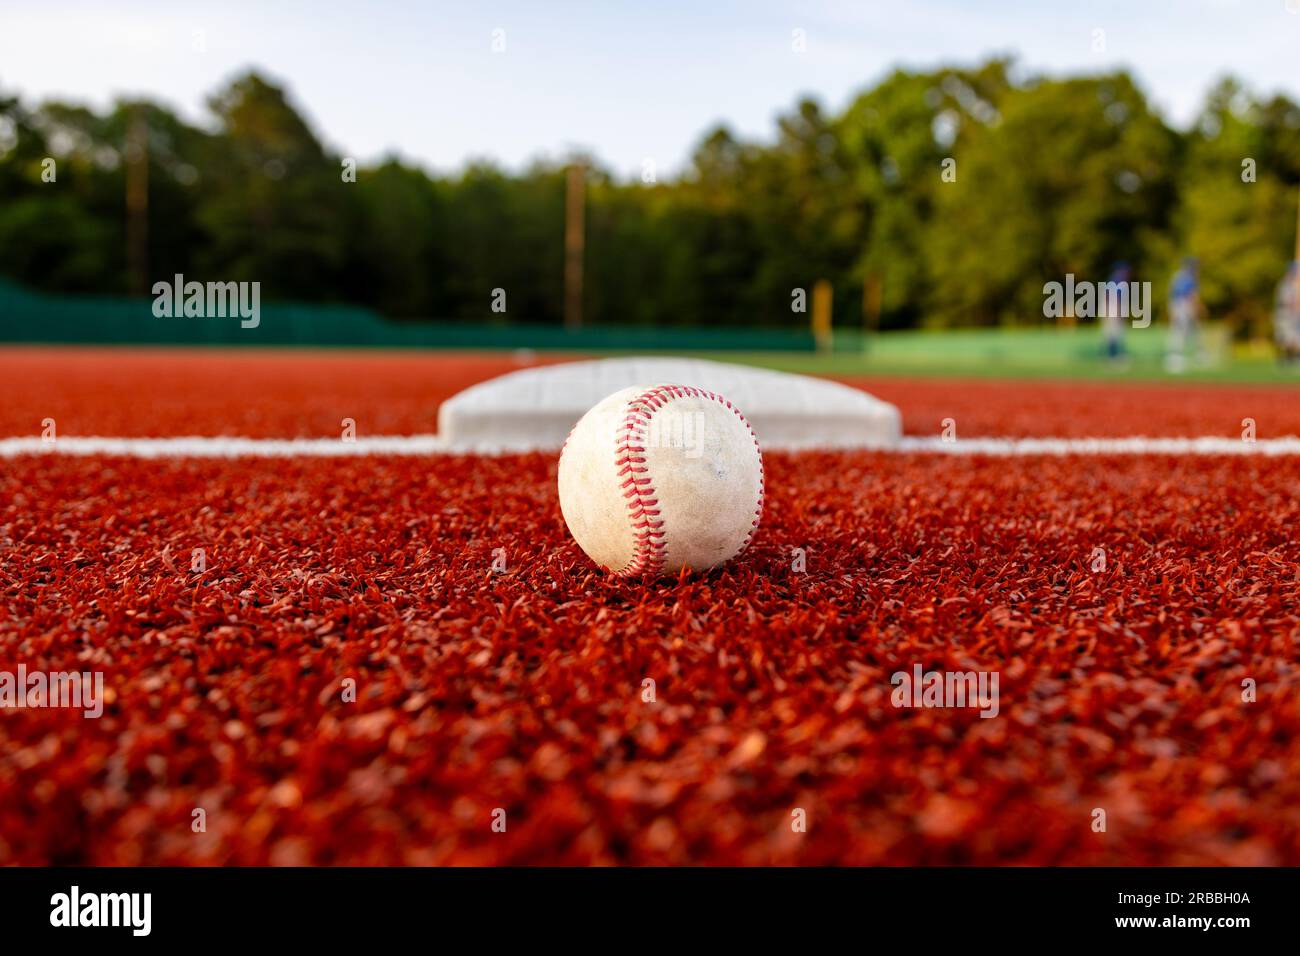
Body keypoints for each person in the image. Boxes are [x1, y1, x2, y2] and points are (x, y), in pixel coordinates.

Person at [1166, 257, 1202, 373]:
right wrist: (1196, 308)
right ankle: (1175, 359)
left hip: (1177, 305)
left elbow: (1172, 292)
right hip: (1182, 305)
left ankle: (1190, 355)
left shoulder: (1178, 275)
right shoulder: (1187, 277)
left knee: (1184, 331)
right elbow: (1190, 294)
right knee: (1180, 331)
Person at [1099, 261, 1131, 363]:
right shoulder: (1118, 280)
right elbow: (1113, 297)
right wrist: (1117, 312)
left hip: (1111, 309)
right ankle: (1112, 357)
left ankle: (1113, 356)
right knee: (1114, 334)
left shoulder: (1115, 279)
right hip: (1112, 309)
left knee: (1114, 334)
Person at [1273, 261, 1300, 365]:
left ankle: (1293, 359)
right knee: (1286, 338)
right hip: (1285, 315)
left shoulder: (1296, 285)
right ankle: (1285, 360)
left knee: (1296, 338)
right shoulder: (1285, 285)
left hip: (1294, 316)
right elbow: (1286, 302)